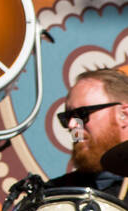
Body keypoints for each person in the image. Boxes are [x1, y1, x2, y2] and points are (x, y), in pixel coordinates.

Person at [48, 67, 128, 197]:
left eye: (82, 114)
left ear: (123, 114)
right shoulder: (57, 193)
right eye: (68, 116)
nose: (72, 125)